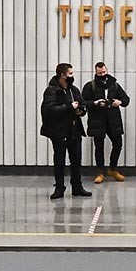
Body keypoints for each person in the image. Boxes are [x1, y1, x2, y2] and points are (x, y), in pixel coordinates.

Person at [40, 62, 91, 200]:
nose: (72, 76)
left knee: (76, 160)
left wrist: (81, 110)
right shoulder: (52, 90)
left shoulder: (73, 90)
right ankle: (59, 188)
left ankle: (77, 186)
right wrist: (69, 106)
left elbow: (82, 104)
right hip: (59, 131)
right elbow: (49, 110)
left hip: (74, 130)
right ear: (62, 75)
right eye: (70, 74)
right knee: (60, 161)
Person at [80, 61, 130, 183]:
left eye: (104, 72)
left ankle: (113, 168)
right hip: (97, 120)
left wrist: (119, 102)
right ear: (95, 72)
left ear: (107, 71)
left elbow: (126, 99)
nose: (102, 74)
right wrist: (95, 103)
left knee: (118, 143)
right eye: (99, 73)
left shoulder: (114, 85)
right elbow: (83, 102)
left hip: (113, 120)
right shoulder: (90, 86)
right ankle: (100, 171)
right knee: (99, 147)